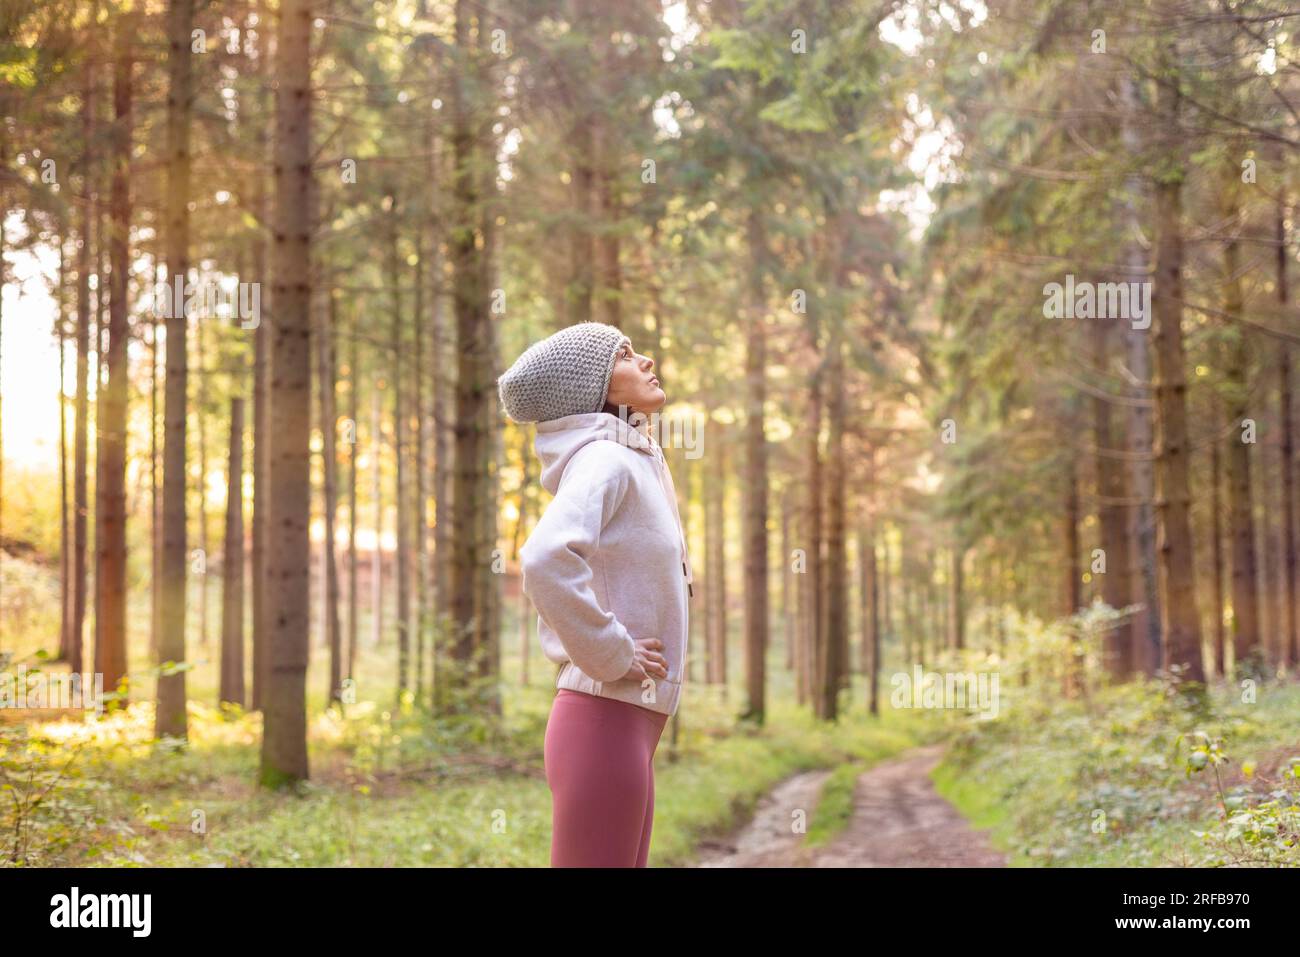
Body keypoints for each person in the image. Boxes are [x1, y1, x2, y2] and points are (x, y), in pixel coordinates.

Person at [497, 321, 693, 867]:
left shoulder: (635, 458)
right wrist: (613, 652)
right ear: (597, 388)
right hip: (603, 719)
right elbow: (543, 558)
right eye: (626, 356)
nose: (647, 360)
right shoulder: (603, 459)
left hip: (630, 723)